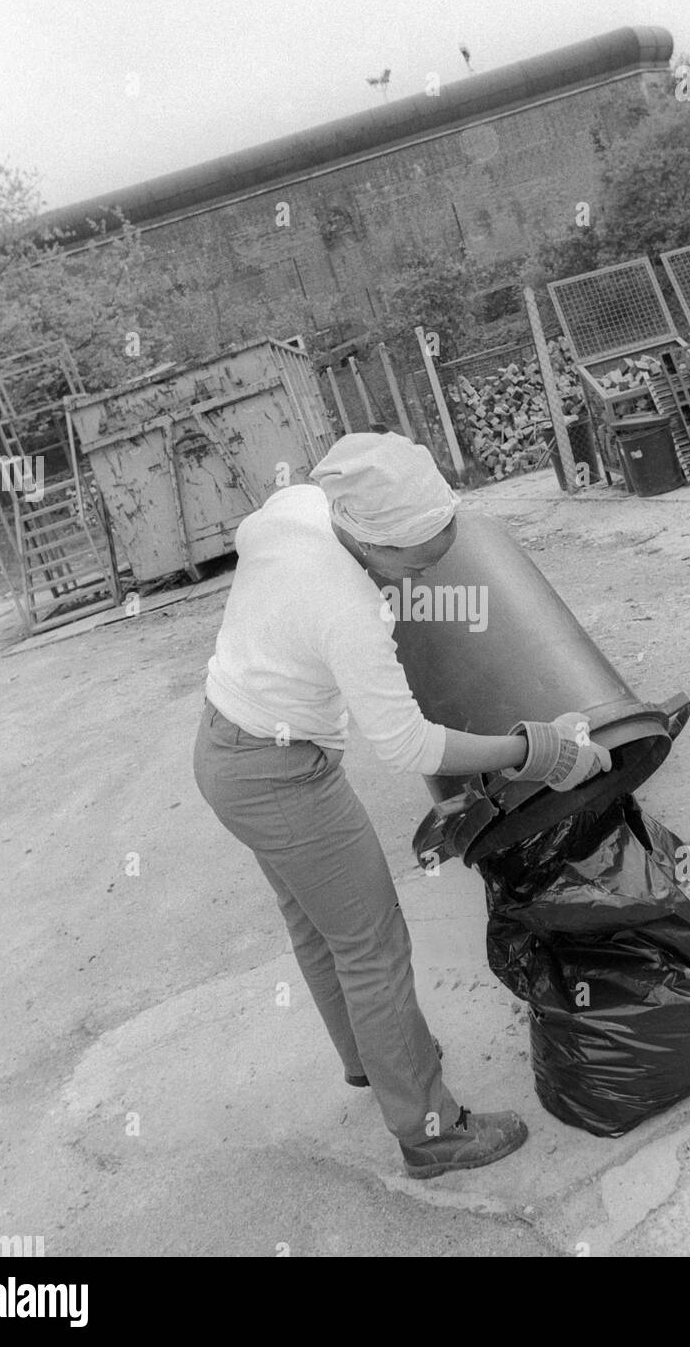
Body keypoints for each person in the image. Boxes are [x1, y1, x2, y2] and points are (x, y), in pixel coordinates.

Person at [193, 432, 610, 1179]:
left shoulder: (300, 507)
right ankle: (431, 1132)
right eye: (414, 564)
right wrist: (529, 748)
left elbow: (247, 531)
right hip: (280, 776)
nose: (423, 576)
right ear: (372, 546)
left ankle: (369, 1063)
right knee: (372, 947)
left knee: (318, 927)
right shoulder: (346, 607)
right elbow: (409, 747)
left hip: (225, 745)